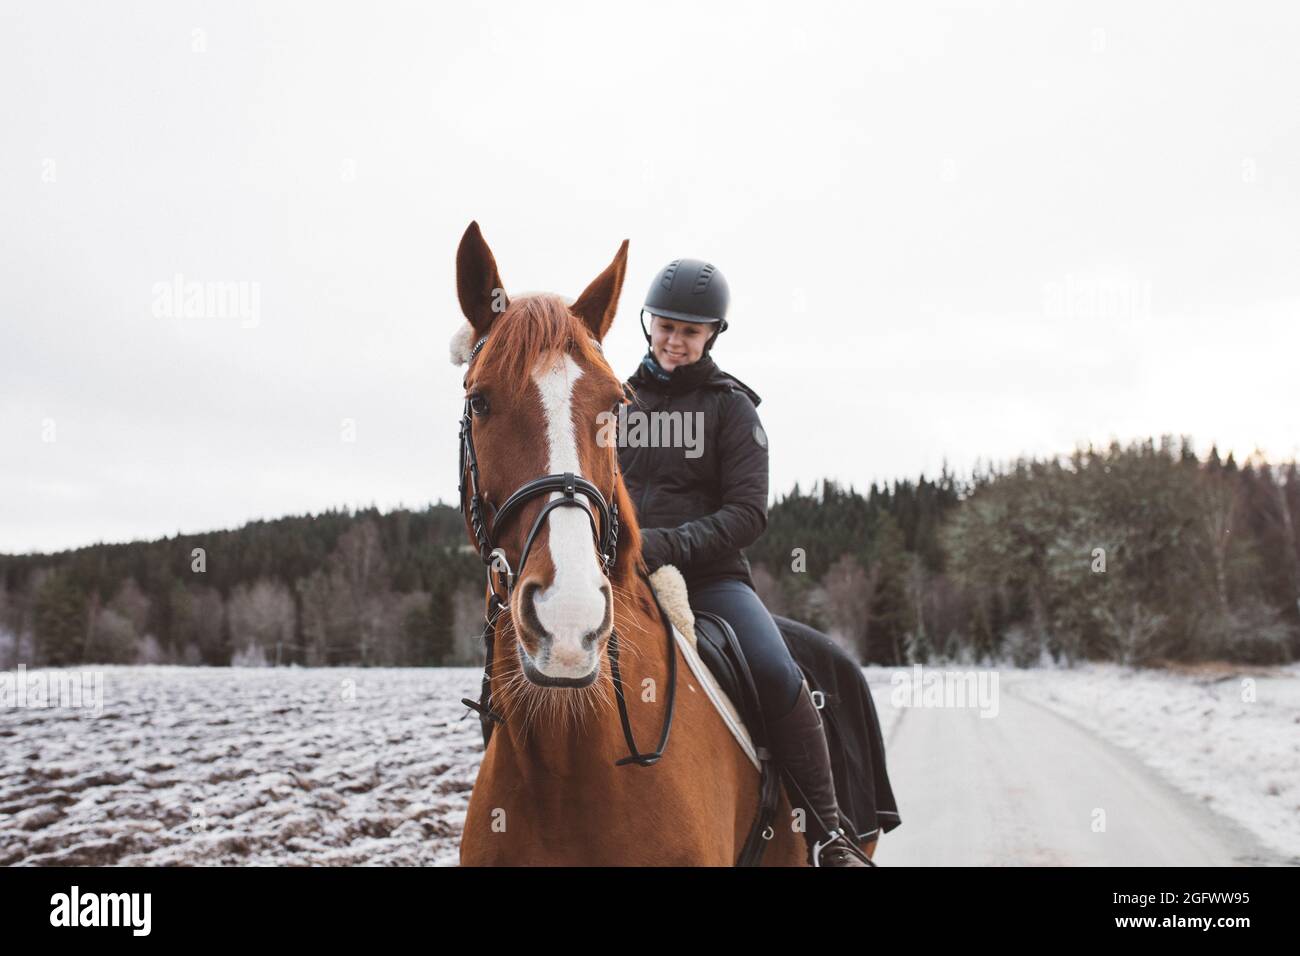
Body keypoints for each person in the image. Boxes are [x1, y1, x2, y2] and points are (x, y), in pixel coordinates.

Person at [617, 258, 869, 867]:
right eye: (666, 327)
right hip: (618, 574)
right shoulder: (615, 401)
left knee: (778, 674)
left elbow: (747, 515)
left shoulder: (732, 409)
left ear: (712, 336)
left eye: (691, 332)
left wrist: (663, 545)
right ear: (649, 324)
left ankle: (828, 835)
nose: (675, 341)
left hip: (709, 579)